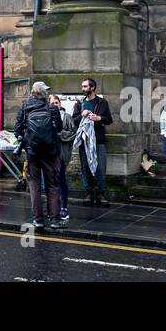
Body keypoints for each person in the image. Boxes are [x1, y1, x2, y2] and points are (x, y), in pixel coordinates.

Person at [16, 80, 64, 230]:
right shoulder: (52, 109)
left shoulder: (24, 108)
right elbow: (59, 129)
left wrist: (26, 139)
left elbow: (17, 130)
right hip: (50, 153)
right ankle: (54, 219)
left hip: (33, 153)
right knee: (52, 185)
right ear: (44, 94)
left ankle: (38, 220)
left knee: (34, 186)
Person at [76, 77, 114, 206]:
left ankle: (100, 194)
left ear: (92, 87)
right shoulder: (79, 103)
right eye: (82, 87)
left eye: (85, 86)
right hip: (84, 142)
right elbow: (73, 121)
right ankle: (88, 193)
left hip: (98, 141)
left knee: (100, 168)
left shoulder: (102, 102)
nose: (83, 89)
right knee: (85, 168)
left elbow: (109, 120)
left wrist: (98, 118)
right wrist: (81, 115)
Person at [50, 94, 77, 222]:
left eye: (56, 102)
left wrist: (60, 134)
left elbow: (73, 132)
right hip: (50, 154)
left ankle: (64, 206)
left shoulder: (67, 117)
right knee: (50, 181)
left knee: (61, 179)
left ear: (60, 103)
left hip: (62, 153)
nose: (54, 105)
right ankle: (53, 206)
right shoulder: (47, 117)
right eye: (52, 103)